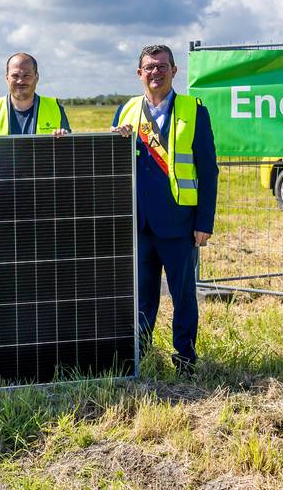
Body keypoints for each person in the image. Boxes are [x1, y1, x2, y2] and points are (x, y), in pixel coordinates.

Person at [112, 44, 217, 376]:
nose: (155, 72)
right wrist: (117, 139)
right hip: (138, 224)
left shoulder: (193, 110)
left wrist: (204, 221)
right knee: (141, 299)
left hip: (179, 224)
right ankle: (139, 359)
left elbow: (208, 169)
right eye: (149, 67)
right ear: (139, 73)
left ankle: (185, 360)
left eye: (161, 66)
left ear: (174, 70)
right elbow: (112, 166)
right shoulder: (125, 111)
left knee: (183, 298)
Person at [0, 52, 71, 137]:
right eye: (15, 76)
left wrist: (64, 139)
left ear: (36, 77)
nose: (20, 81)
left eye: (26, 75)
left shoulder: (55, 107)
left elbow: (71, 151)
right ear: (7, 78)